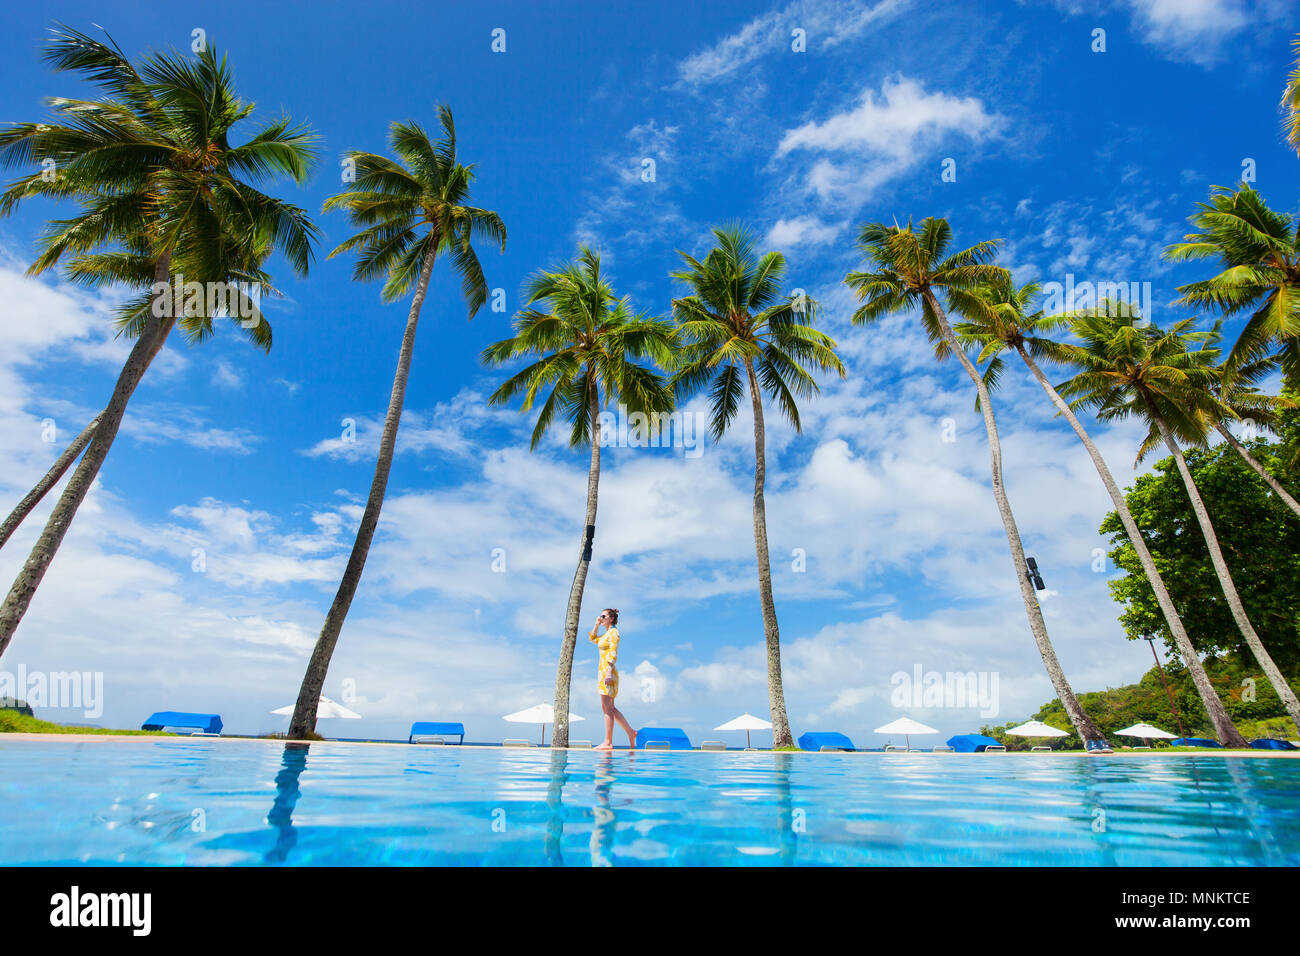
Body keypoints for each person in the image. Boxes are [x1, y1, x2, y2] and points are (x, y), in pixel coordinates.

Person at [589, 608, 635, 750]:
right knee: (609, 708)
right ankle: (631, 733)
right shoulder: (606, 634)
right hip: (603, 672)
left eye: (603, 616)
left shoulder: (614, 633)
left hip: (608, 672)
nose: (601, 618)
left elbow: (613, 652)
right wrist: (597, 624)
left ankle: (608, 741)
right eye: (600, 616)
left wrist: (608, 671)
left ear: (611, 618)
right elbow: (592, 638)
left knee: (607, 708)